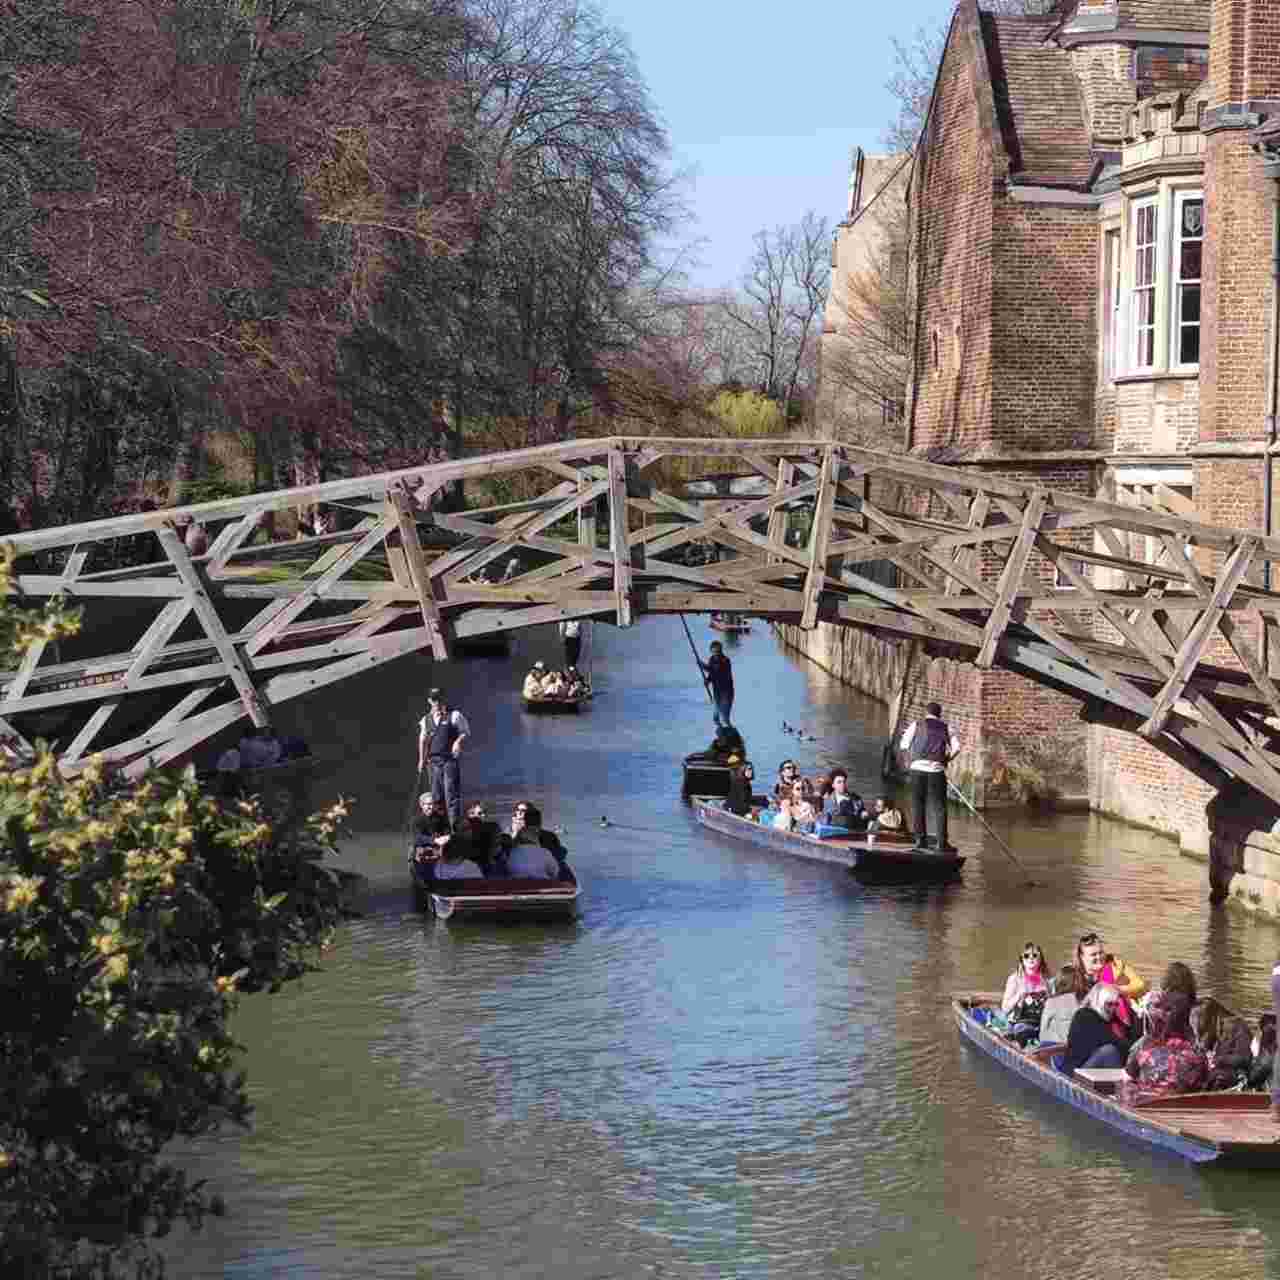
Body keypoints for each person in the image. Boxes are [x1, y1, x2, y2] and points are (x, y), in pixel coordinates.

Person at [1121, 990, 1208, 1103]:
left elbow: (1127, 1078)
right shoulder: (1198, 1052)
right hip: (1182, 1108)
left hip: (1145, 1106)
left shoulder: (1145, 1045)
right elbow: (1204, 1084)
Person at [898, 701, 961, 853]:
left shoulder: (917, 724)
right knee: (939, 807)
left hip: (917, 769)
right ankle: (941, 844)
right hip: (936, 770)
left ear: (926, 713)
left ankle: (920, 842)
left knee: (918, 804)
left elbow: (903, 745)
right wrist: (946, 760)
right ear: (940, 714)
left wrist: (909, 761)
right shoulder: (946, 727)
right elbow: (957, 748)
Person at [1071, 932, 1148, 1040]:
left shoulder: (1115, 965)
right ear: (1082, 957)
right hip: (1089, 1028)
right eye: (1093, 954)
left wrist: (1117, 989)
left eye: (1101, 952)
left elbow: (1141, 985)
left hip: (1124, 1026)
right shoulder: (1072, 975)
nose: (1099, 957)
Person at [417, 688, 469, 827]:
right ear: (429, 701)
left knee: (451, 796)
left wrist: (458, 742)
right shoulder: (426, 719)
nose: (437, 702)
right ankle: (440, 828)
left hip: (449, 761)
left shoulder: (454, 715)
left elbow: (464, 732)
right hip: (433, 763)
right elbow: (423, 740)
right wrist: (421, 759)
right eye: (434, 699)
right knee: (436, 797)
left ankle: (455, 829)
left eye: (439, 699)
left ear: (443, 699)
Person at [1064, 984, 1131, 1073]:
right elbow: (1109, 1040)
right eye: (1109, 1004)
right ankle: (1120, 1085)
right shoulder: (1085, 1016)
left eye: (1116, 1005)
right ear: (1099, 1002)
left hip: (1093, 1066)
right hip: (1078, 1070)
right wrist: (1130, 1048)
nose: (1113, 1009)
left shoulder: (1107, 1017)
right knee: (1109, 1051)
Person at [506, 804, 562, 879]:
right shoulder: (549, 838)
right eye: (518, 810)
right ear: (540, 821)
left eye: (522, 811)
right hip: (544, 880)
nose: (519, 813)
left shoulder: (514, 844)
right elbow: (556, 870)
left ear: (524, 820)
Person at [1039, 965, 1083, 1047]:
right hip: (1075, 1047)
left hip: (1052, 1046)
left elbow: (1043, 1030)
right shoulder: (1081, 1003)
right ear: (1076, 982)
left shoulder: (1051, 1002)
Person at [1001, 942, 1051, 1014]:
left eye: (1034, 955)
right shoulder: (1014, 979)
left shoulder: (1047, 979)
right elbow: (1005, 1008)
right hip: (1020, 1020)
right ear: (1022, 959)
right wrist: (1019, 995)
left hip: (1042, 1019)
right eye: (1026, 955)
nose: (1031, 958)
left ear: (1040, 959)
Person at [700, 640, 734, 728]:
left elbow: (717, 672)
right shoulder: (711, 659)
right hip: (717, 692)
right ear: (711, 651)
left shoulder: (726, 660)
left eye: (717, 651)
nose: (716, 653)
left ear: (721, 650)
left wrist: (704, 666)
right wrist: (707, 680)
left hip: (727, 693)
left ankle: (731, 732)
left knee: (725, 717)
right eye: (714, 651)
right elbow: (712, 674)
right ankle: (721, 734)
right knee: (716, 717)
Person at [411, 793, 452, 864]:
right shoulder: (417, 820)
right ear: (422, 805)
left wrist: (446, 837)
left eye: (433, 804)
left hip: (439, 851)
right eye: (429, 804)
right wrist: (435, 840)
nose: (431, 807)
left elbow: (447, 831)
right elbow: (418, 837)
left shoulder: (441, 818)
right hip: (423, 852)